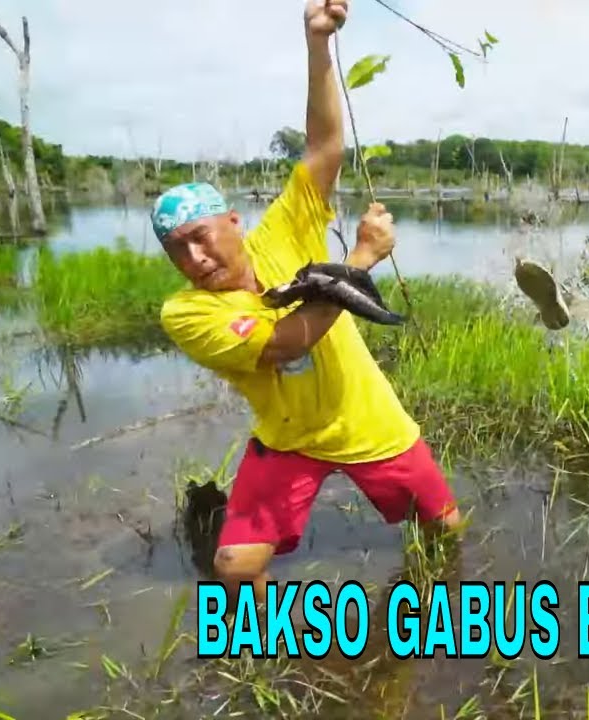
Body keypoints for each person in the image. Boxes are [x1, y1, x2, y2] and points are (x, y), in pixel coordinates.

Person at [152, 0, 460, 611]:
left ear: (234, 222)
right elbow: (287, 343)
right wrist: (363, 261)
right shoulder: (185, 313)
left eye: (201, 236)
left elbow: (323, 150)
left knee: (446, 536)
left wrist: (318, 45)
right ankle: (285, 655)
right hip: (290, 437)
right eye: (177, 250)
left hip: (369, 420)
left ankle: (434, 622)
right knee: (236, 569)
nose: (195, 257)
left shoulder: (284, 235)